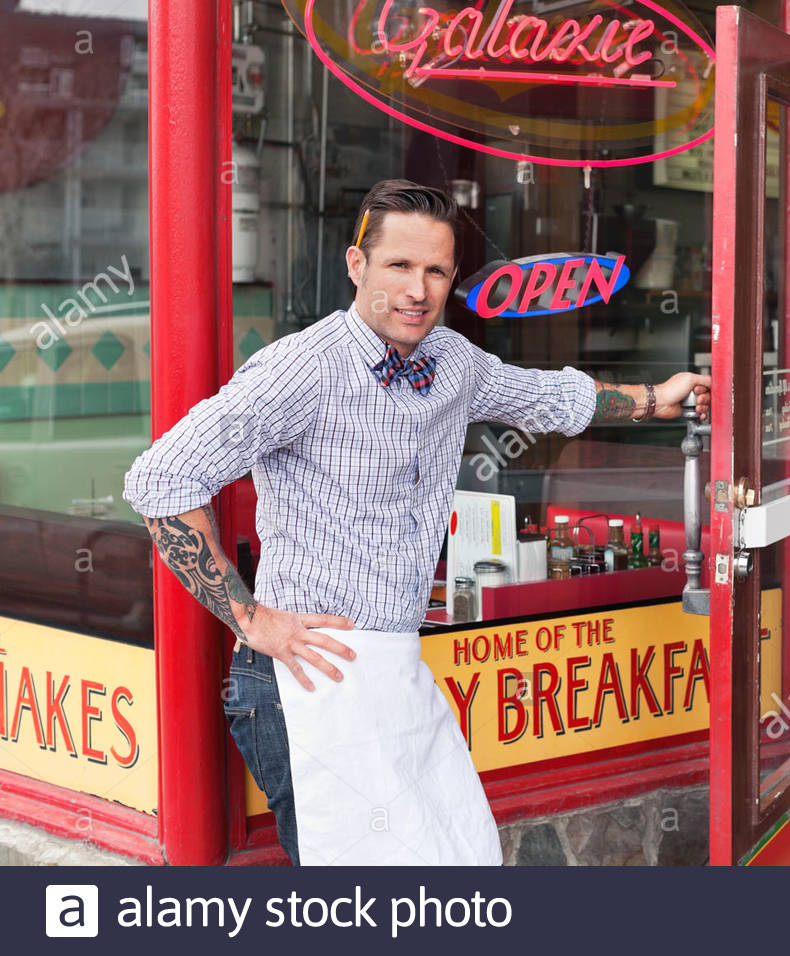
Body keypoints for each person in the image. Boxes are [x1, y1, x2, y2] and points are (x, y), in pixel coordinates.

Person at [123, 179, 711, 866]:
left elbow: (543, 396)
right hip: (303, 682)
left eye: (435, 270)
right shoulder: (301, 368)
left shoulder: (450, 360)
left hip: (396, 669)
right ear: (356, 265)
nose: (418, 289)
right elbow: (161, 481)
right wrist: (251, 618)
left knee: (455, 862)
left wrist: (651, 399)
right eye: (400, 265)